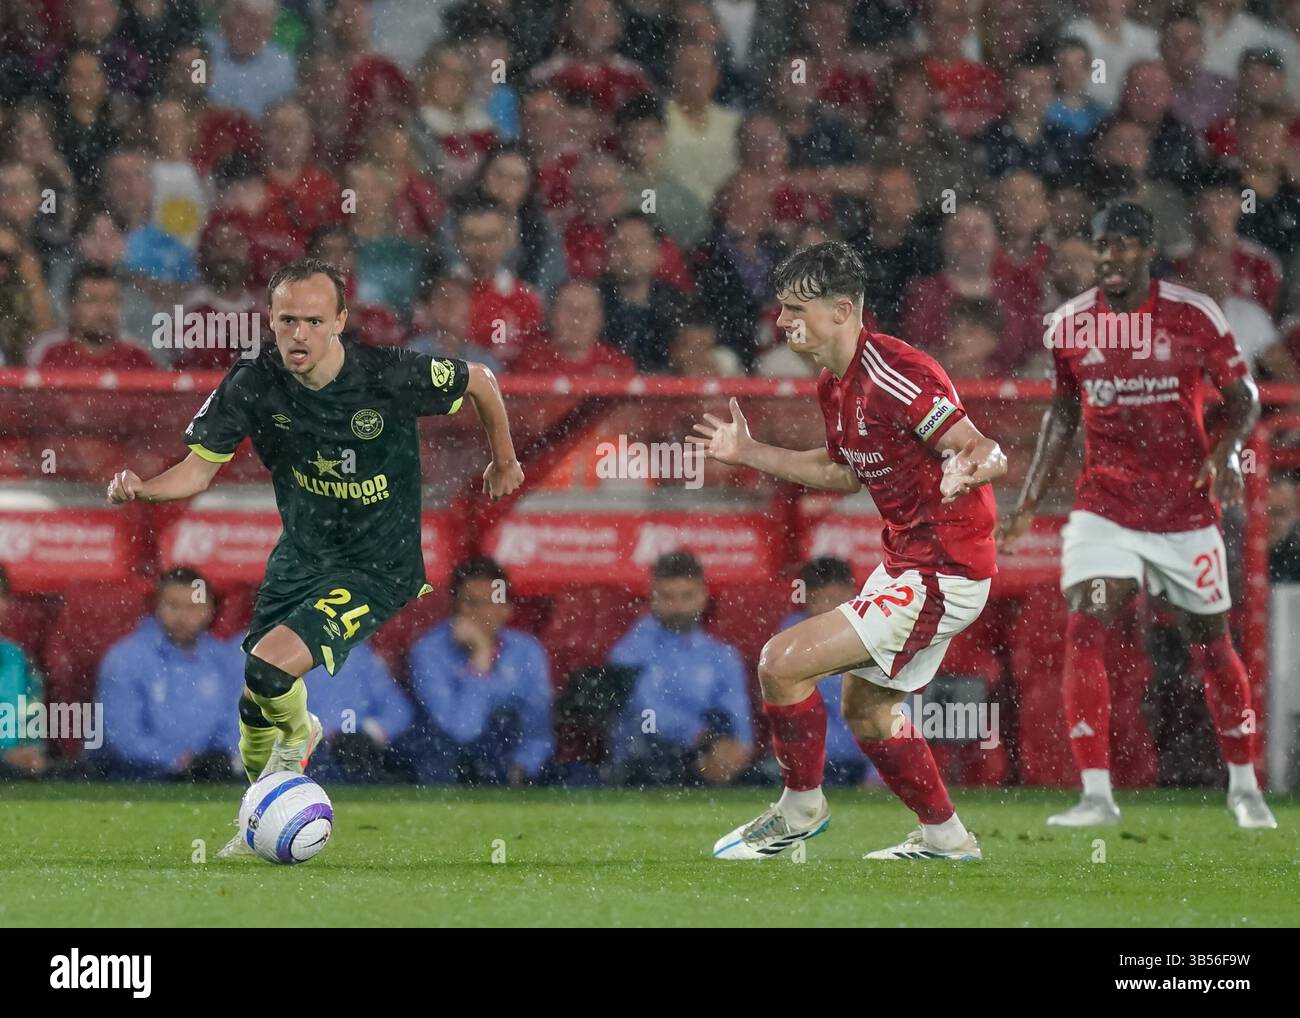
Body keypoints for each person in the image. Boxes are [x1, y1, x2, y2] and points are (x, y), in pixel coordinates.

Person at [105, 258, 523, 854]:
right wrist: (143, 487)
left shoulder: (386, 374)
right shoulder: (253, 380)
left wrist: (504, 461)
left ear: (340, 322)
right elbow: (198, 468)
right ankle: (257, 825)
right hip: (301, 557)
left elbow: (480, 379)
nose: (297, 334)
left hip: (377, 568)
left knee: (271, 671)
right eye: (286, 320)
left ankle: (302, 734)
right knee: (253, 702)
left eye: (312, 321)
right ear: (271, 320)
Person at [689, 242, 1006, 861]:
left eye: (794, 309)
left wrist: (969, 470)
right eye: (780, 309)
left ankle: (799, 810)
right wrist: (751, 452)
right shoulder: (837, 384)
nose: (782, 322)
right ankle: (947, 839)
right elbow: (842, 473)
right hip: (913, 562)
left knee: (780, 661)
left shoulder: (897, 373)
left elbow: (985, 446)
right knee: (866, 708)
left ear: (841, 309)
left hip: (944, 569)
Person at [998, 202, 1277, 830]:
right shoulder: (1070, 325)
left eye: (1121, 247)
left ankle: (1244, 785)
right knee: (1085, 622)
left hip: (1183, 509)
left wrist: (1228, 452)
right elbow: (1061, 414)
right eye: (1101, 248)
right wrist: (1026, 506)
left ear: (1147, 250)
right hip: (1105, 509)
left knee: (1212, 644)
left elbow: (1245, 398)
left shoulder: (1192, 315)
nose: (1108, 260)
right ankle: (1096, 793)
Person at [606, 552, 752, 787]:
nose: (678, 607)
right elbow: (648, 714)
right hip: (643, 765)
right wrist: (703, 738)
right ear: (651, 597)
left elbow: (738, 717)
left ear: (704, 596)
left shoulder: (724, 657)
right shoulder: (630, 651)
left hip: (707, 762)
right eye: (667, 597)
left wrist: (734, 752)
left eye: (687, 596)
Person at [405, 558, 553, 785]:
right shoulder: (428, 652)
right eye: (472, 603)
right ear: (454, 607)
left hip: (517, 764)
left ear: (508, 609)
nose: (483, 612)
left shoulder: (527, 650)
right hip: (453, 767)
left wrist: (523, 766)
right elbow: (462, 732)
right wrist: (480, 657)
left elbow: (539, 727)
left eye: (493, 602)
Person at [96, 568, 244, 780]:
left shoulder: (224, 659)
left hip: (212, 781)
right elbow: (123, 737)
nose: (182, 616)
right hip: (135, 781)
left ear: (210, 609)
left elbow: (236, 724)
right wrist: (181, 761)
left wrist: (219, 759)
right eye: (172, 605)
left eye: (193, 606)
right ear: (156, 607)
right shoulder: (125, 658)